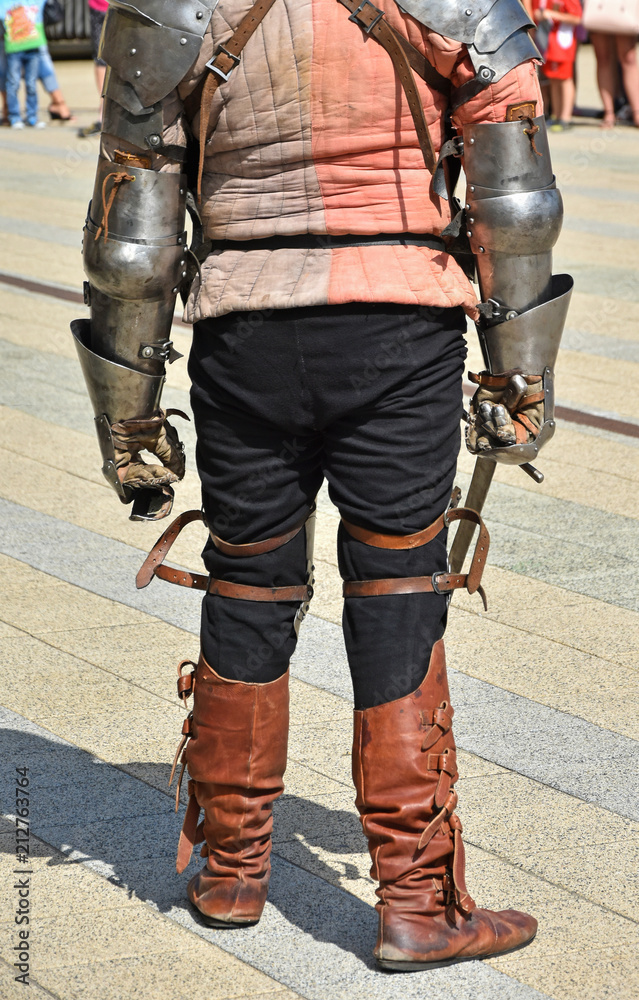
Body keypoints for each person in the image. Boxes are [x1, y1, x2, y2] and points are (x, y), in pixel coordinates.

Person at [72, 0, 572, 971]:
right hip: (398, 326)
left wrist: (130, 419)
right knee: (396, 588)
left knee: (251, 581)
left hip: (243, 330)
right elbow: (514, 195)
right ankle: (418, 903)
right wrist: (518, 376)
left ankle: (230, 873)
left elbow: (133, 232)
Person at [533, 0, 582, 130]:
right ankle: (557, 114)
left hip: (563, 43)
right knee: (553, 79)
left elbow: (577, 18)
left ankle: (565, 117)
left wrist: (552, 15)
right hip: (548, 43)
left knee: (565, 79)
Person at [1, 1, 47, 128]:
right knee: (13, 83)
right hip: (13, 49)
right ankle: (15, 117)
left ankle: (32, 117)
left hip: (33, 47)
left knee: (31, 84)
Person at [591, 27, 639, 127]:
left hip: (624, 13)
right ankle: (609, 113)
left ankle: (636, 112)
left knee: (628, 57)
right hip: (600, 13)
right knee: (603, 57)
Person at [77, 0, 108, 138]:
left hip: (124, 8)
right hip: (102, 7)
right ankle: (103, 113)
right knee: (101, 58)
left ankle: (104, 115)